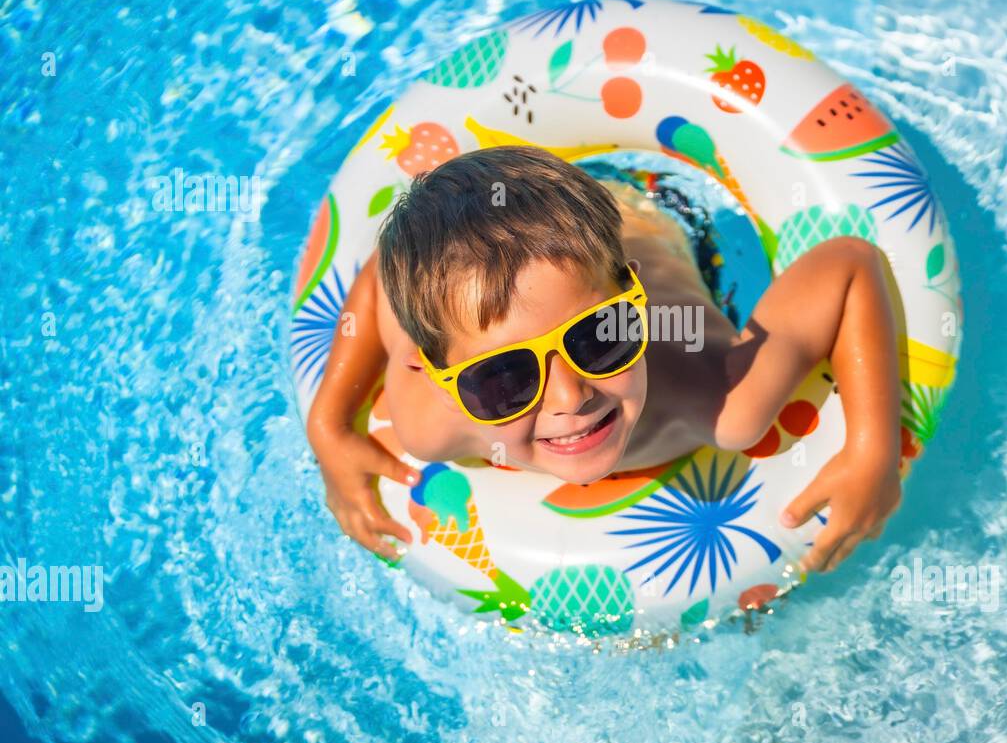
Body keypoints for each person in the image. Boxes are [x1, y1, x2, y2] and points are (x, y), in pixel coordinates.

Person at [306, 145, 901, 573]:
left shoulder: (718, 401)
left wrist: (873, 446)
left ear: (634, 298)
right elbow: (387, 266)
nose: (571, 398)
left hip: (645, 204)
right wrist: (329, 425)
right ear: (432, 376)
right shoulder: (428, 425)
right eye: (503, 377)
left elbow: (849, 264)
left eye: (599, 336)